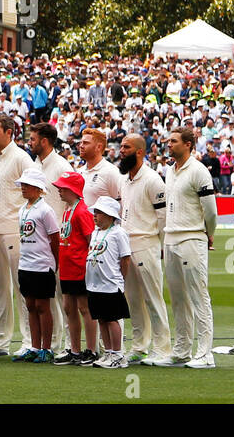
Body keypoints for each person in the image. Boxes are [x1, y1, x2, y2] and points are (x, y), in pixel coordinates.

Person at [153, 126, 217, 369]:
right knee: (178, 299)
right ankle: (181, 351)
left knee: (199, 296)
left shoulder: (199, 171)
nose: (169, 145)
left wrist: (208, 233)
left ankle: (205, 354)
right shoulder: (170, 170)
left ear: (188, 144)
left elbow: (210, 210)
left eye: (174, 141)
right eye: (168, 141)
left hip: (192, 238)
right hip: (171, 238)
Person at [117, 134, 170, 365]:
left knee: (153, 298)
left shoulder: (152, 180)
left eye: (126, 147)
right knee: (133, 300)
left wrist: (160, 244)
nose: (121, 150)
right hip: (127, 245)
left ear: (139, 151)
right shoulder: (125, 179)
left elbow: (163, 217)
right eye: (120, 146)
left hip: (147, 243)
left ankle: (163, 348)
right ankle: (139, 346)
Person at [0, 114, 35, 357]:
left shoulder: (21, 158)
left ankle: (28, 340)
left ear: (9, 132)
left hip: (15, 230)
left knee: (21, 286)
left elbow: (36, 190)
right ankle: (0, 340)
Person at [29, 121, 73, 352]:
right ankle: (44, 344)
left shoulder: (62, 167)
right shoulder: (35, 164)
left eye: (33, 139)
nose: (30, 142)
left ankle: (63, 345)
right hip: (37, 241)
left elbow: (72, 201)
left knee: (60, 297)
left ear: (44, 141)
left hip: (56, 238)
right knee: (41, 297)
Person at [11, 165, 60, 364]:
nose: (23, 188)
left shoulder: (45, 210)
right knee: (30, 305)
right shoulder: (23, 209)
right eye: (22, 184)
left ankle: (46, 348)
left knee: (42, 306)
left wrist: (54, 262)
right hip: (26, 264)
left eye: (27, 185)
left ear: (38, 188)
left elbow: (54, 237)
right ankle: (34, 346)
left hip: (42, 264)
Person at [52, 172, 97, 367]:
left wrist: (89, 267)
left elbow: (91, 241)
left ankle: (92, 350)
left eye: (63, 188)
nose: (59, 191)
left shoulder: (82, 212)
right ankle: (75, 350)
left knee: (85, 308)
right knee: (68, 307)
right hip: (67, 268)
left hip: (80, 267)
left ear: (72, 190)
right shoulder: (68, 210)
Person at [86, 197, 134, 369]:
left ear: (109, 215)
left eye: (99, 212)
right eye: (95, 212)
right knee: (101, 319)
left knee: (112, 319)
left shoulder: (118, 233)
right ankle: (108, 352)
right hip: (94, 283)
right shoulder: (95, 232)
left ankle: (118, 354)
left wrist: (120, 279)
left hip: (111, 283)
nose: (95, 215)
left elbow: (125, 258)